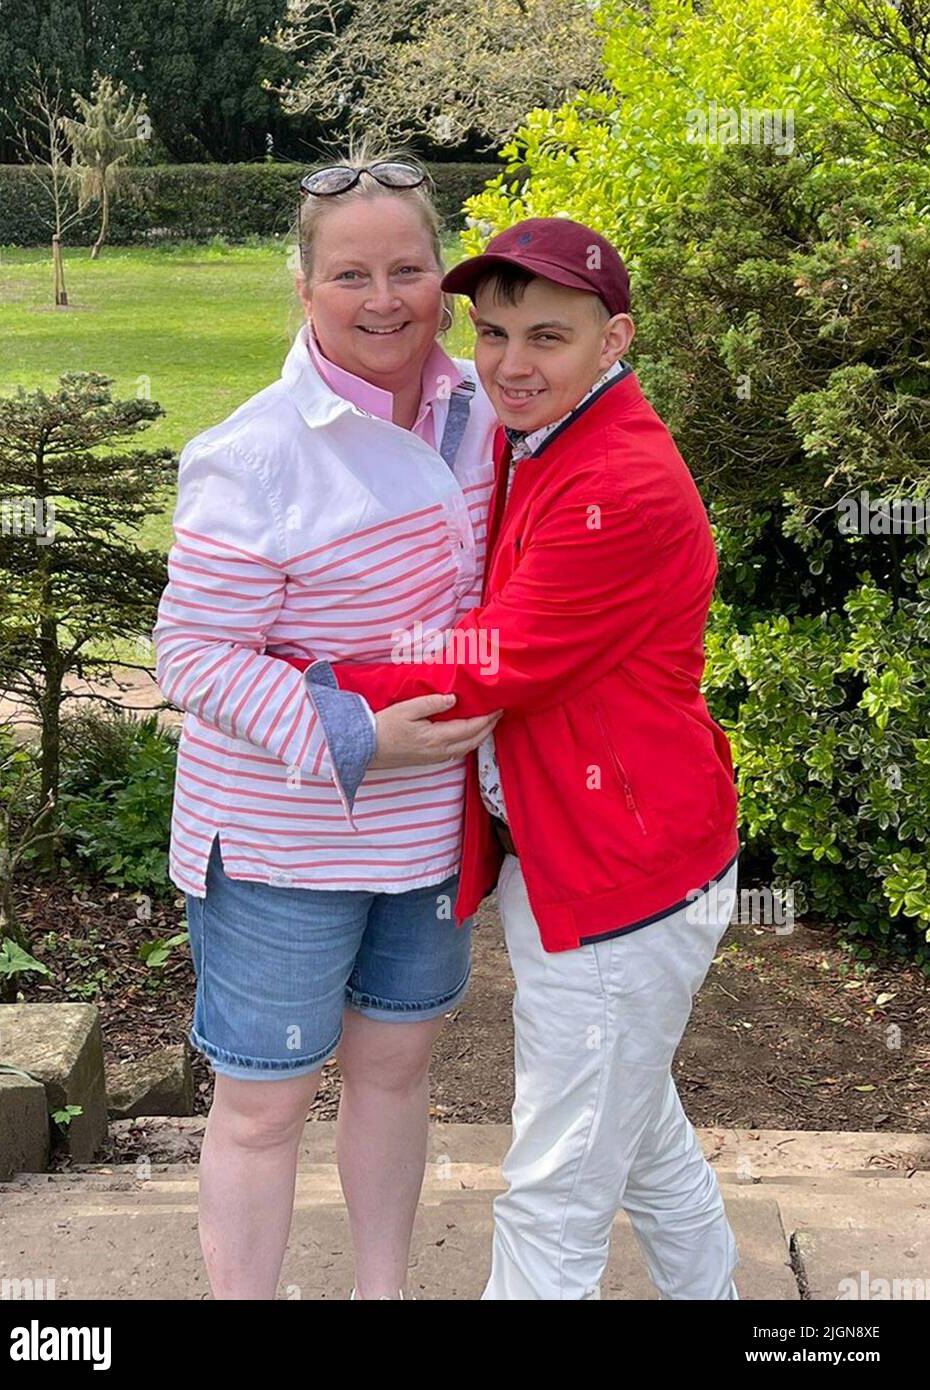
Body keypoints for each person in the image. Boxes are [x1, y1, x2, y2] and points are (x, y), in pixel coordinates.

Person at [299, 217, 743, 1300]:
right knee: (636, 1140)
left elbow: (490, 661)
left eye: (546, 336)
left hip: (619, 879)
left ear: (613, 339)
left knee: (552, 1189)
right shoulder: (537, 434)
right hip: (592, 855)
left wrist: (305, 681)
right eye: (491, 332)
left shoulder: (618, 485)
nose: (507, 363)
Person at [151, 148, 502, 1300]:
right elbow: (191, 655)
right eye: (351, 275)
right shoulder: (252, 456)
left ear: (442, 275)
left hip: (424, 835)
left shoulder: (485, 414)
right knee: (263, 1102)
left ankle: (380, 1294)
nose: (385, 299)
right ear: (302, 288)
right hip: (280, 841)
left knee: (396, 1071)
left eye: (408, 268)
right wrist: (354, 732)